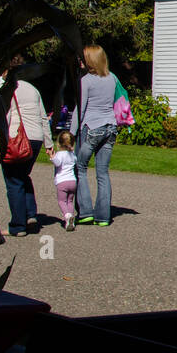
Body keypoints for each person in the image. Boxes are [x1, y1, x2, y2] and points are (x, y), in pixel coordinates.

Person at [0, 57, 54, 236]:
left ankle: (18, 225)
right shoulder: (32, 89)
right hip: (36, 137)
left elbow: (2, 115)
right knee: (23, 176)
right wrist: (49, 142)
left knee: (13, 180)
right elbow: (43, 116)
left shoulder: (4, 87)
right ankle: (30, 214)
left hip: (16, 137)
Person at [74, 44, 119, 226]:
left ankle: (85, 211)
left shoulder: (86, 81)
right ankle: (103, 216)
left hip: (92, 127)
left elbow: (80, 108)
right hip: (110, 127)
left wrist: (70, 133)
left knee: (80, 167)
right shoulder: (112, 78)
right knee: (102, 172)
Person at [51, 130, 78, 231]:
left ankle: (67, 216)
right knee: (70, 201)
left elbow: (57, 163)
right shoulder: (73, 155)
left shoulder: (60, 154)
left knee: (62, 201)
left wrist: (52, 156)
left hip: (62, 182)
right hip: (72, 181)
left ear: (59, 143)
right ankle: (70, 221)